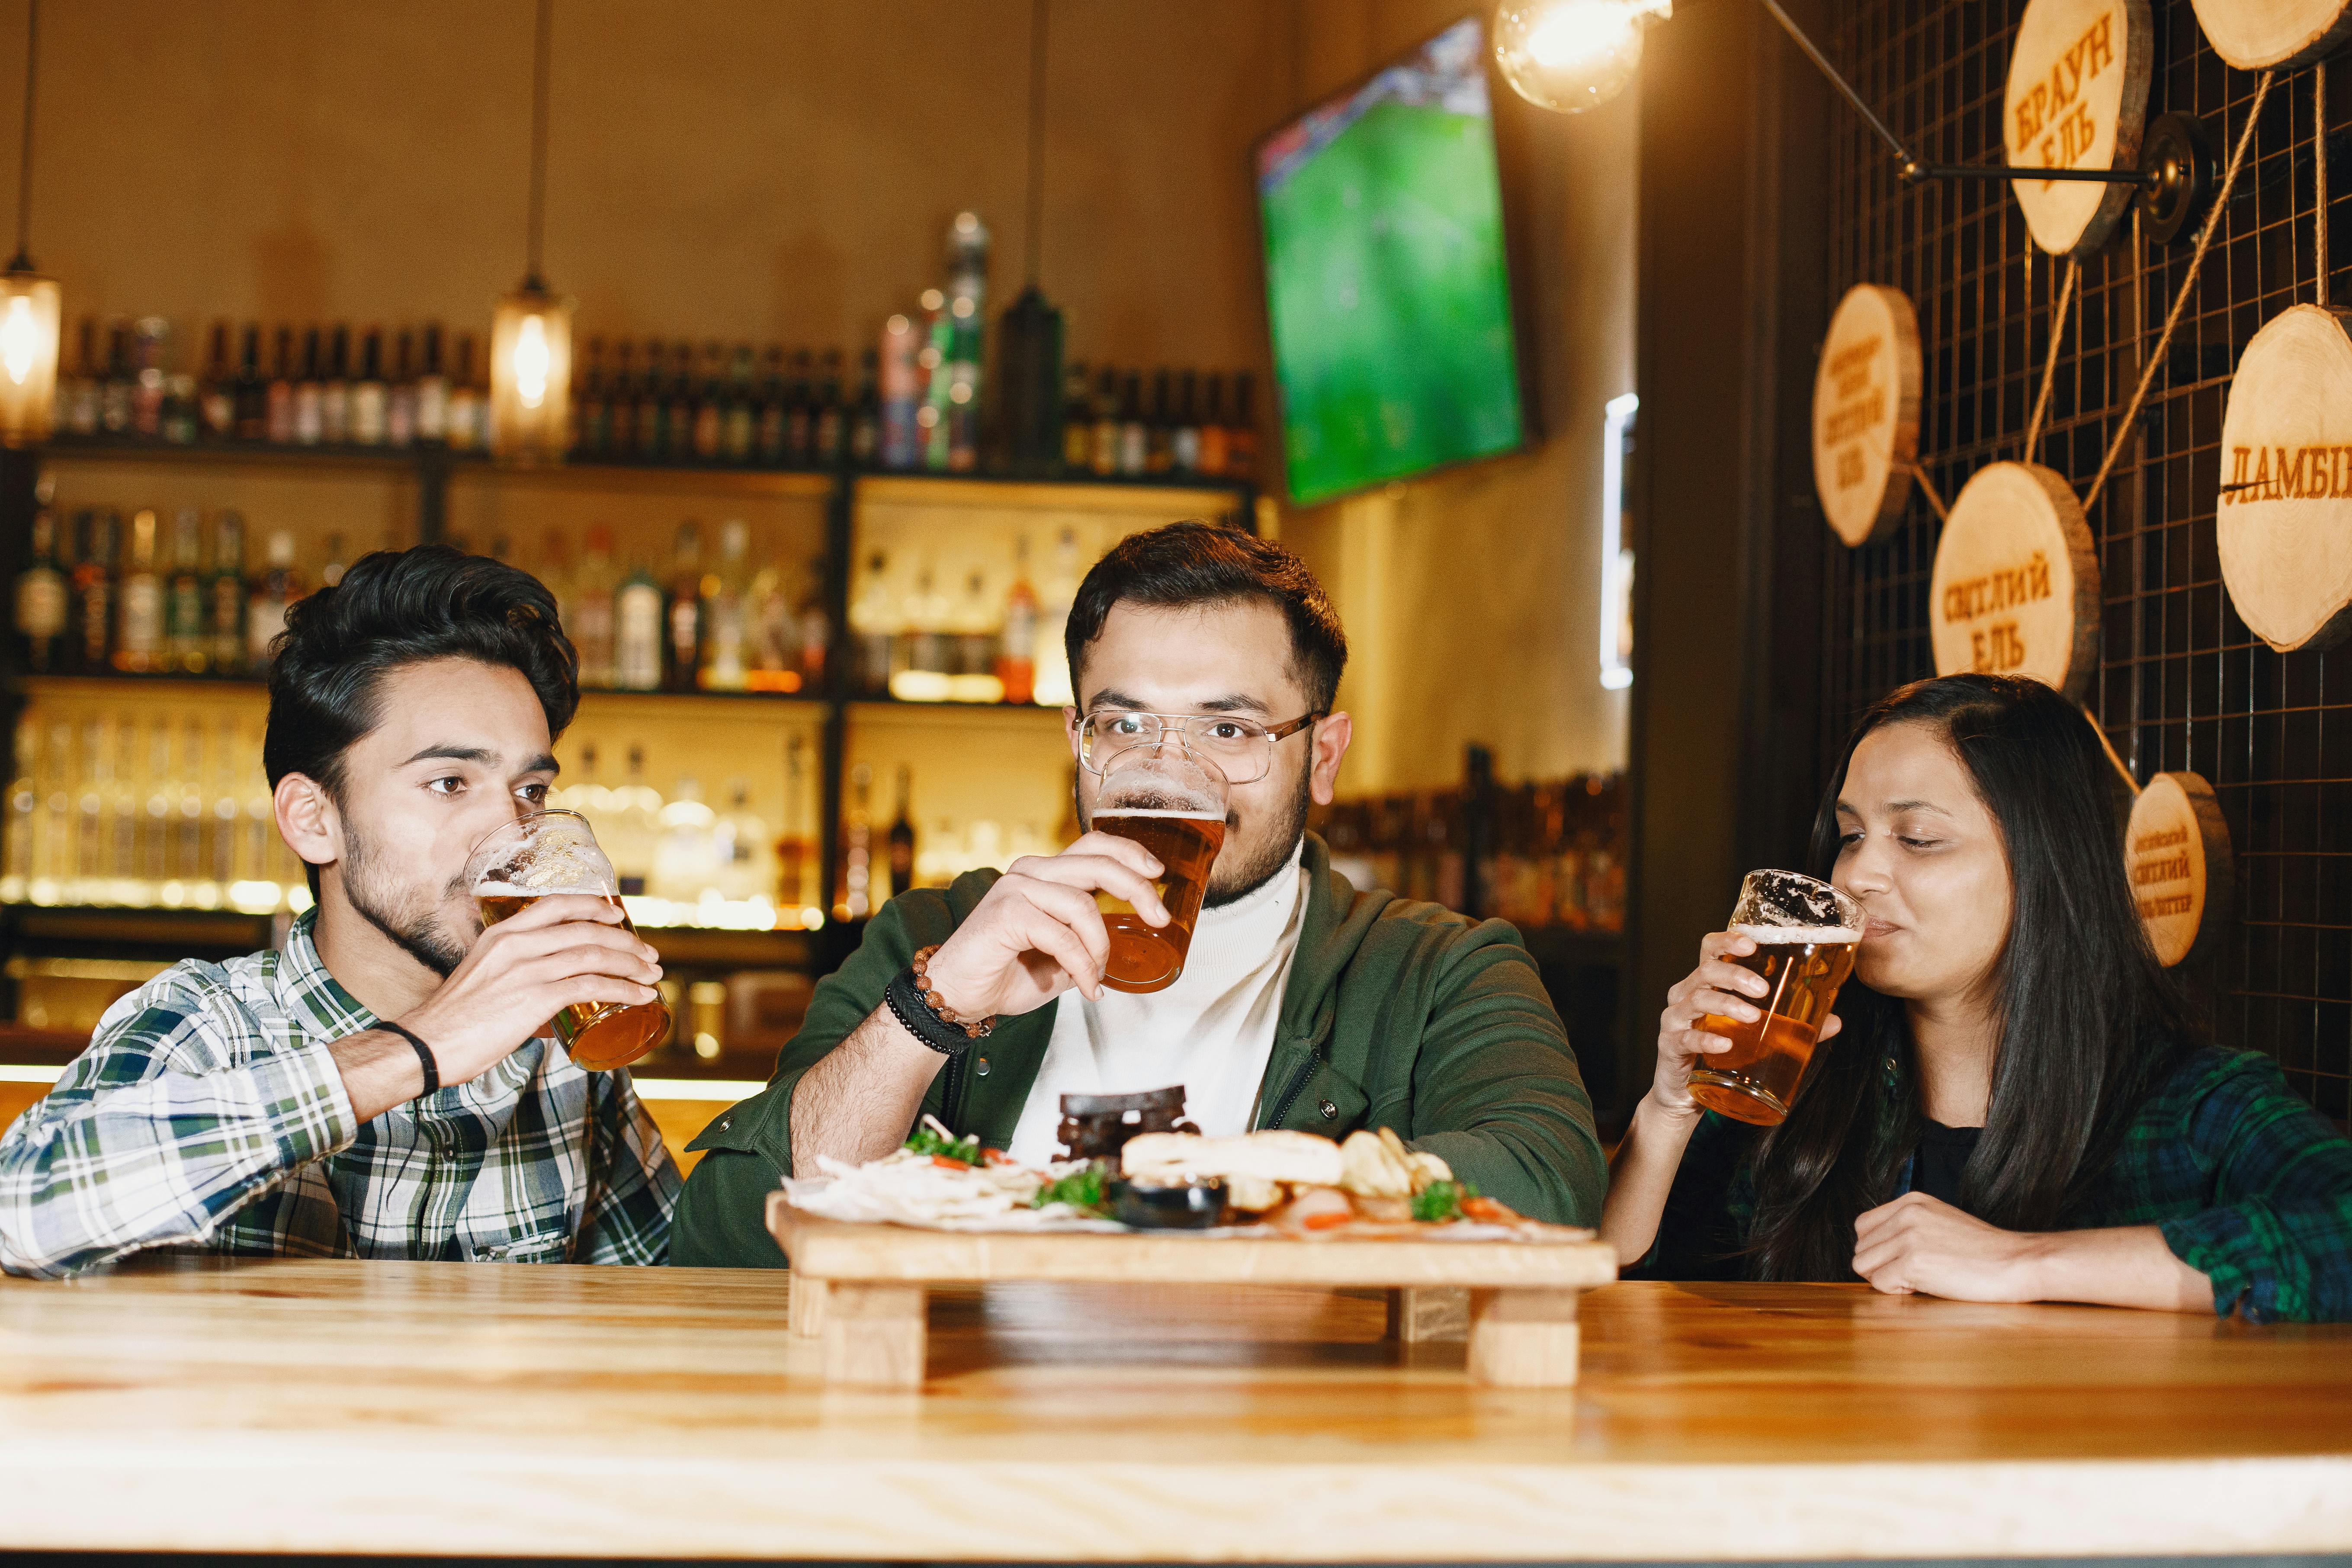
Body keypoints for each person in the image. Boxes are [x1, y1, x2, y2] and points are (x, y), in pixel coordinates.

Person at [673, 520, 1603, 1264]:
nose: (1168, 775)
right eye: (1126, 725)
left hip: (1282, 1432)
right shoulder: (938, 931)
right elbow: (727, 1233)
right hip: (962, 1424)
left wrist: (1200, 1184)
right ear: (1077, 740)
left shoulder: (1437, 969)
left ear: (1321, 756)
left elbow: (1549, 1186)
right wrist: (933, 1009)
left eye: (1228, 730)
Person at [0, 547, 677, 1278]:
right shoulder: (210, 1023)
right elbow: (20, 1208)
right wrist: (418, 1049)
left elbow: (677, 1291)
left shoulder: (562, 1060)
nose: (512, 832)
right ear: (313, 819)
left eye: (532, 790)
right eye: (450, 782)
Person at [1604, 673, 2352, 1322]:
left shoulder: (2186, 1106)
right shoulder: (1801, 1087)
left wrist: (2024, 1263)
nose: (1857, 875)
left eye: (1916, 838)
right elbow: (1613, 1303)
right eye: (1851, 835)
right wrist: (1666, 1112)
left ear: (2043, 862)